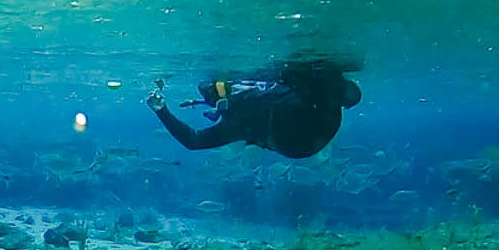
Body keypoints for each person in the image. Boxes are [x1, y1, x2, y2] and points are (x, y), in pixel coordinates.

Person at [145, 61, 362, 159]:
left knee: (297, 83)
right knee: (296, 79)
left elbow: (193, 141)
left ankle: (334, 89)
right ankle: (335, 88)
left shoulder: (237, 122)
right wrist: (161, 110)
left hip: (299, 138)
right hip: (296, 138)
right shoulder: (238, 121)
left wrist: (161, 110)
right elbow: (193, 141)